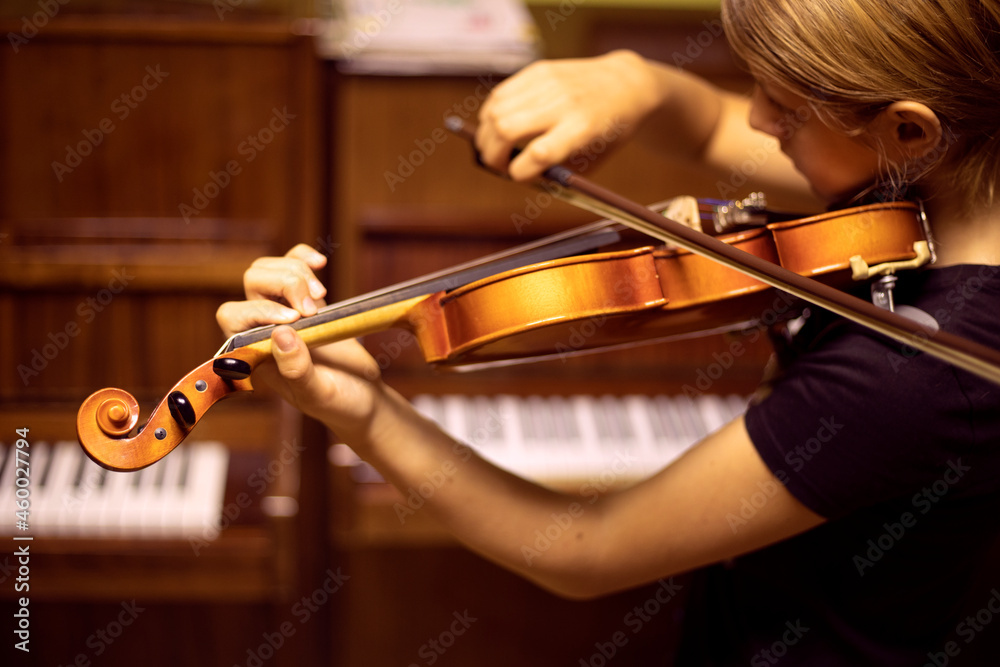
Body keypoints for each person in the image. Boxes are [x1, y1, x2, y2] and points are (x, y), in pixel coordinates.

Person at [216, 1, 1000, 664]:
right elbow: (707, 124)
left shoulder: (914, 376)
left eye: (783, 106)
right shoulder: (953, 160)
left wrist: (363, 411)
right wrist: (636, 81)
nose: (759, 122)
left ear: (909, 131)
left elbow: (582, 546)